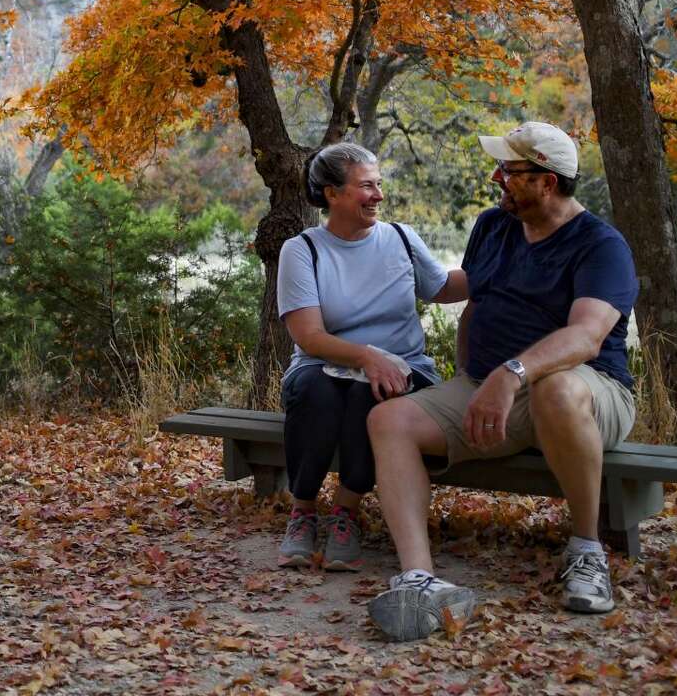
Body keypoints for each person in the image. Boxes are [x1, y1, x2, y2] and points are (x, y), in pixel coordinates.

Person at [364, 121, 639, 642]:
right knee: (389, 418)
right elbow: (477, 302)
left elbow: (586, 338)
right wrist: (472, 375)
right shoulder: (493, 227)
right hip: (492, 384)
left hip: (589, 391)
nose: (496, 178)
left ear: (547, 181)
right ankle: (419, 578)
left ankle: (585, 550)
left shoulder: (601, 245)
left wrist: (509, 374)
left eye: (509, 171)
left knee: (554, 387)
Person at [274, 141, 468, 570]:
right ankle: (302, 512)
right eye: (367, 186)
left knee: (375, 392)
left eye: (379, 184)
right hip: (321, 366)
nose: (379, 195)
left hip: (403, 366)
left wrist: (496, 268)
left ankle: (346, 513)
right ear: (332, 194)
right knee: (317, 393)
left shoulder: (400, 238)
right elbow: (308, 336)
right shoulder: (301, 250)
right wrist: (367, 356)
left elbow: (442, 288)